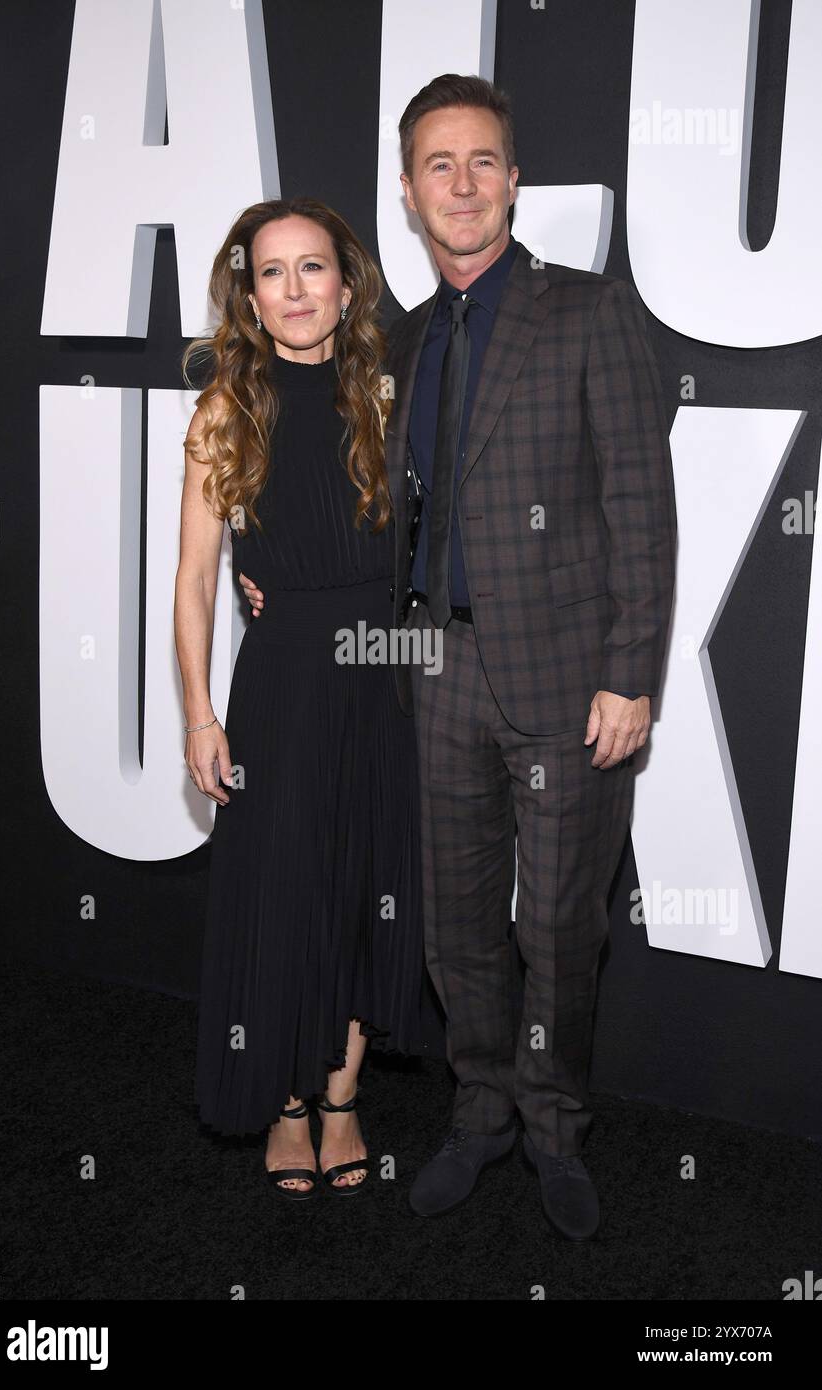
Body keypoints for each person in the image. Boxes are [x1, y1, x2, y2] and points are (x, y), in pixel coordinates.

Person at [239, 76, 678, 1238]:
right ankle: (479, 1111)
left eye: (483, 161)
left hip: (568, 684)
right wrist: (270, 569)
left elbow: (640, 502)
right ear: (408, 190)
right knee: (457, 928)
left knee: (558, 930)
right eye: (439, 165)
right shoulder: (401, 340)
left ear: (514, 179)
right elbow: (373, 506)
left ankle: (553, 1127)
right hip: (427, 682)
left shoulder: (586, 312)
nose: (463, 185)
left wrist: (632, 672)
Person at [174, 197, 438, 1201]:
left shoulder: (386, 391)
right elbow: (196, 578)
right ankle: (286, 1101)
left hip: (378, 676)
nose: (293, 289)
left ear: (346, 281)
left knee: (364, 888)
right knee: (285, 892)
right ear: (248, 292)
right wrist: (201, 711)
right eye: (271, 272)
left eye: (312, 268)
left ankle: (339, 1100)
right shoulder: (226, 412)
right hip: (280, 681)